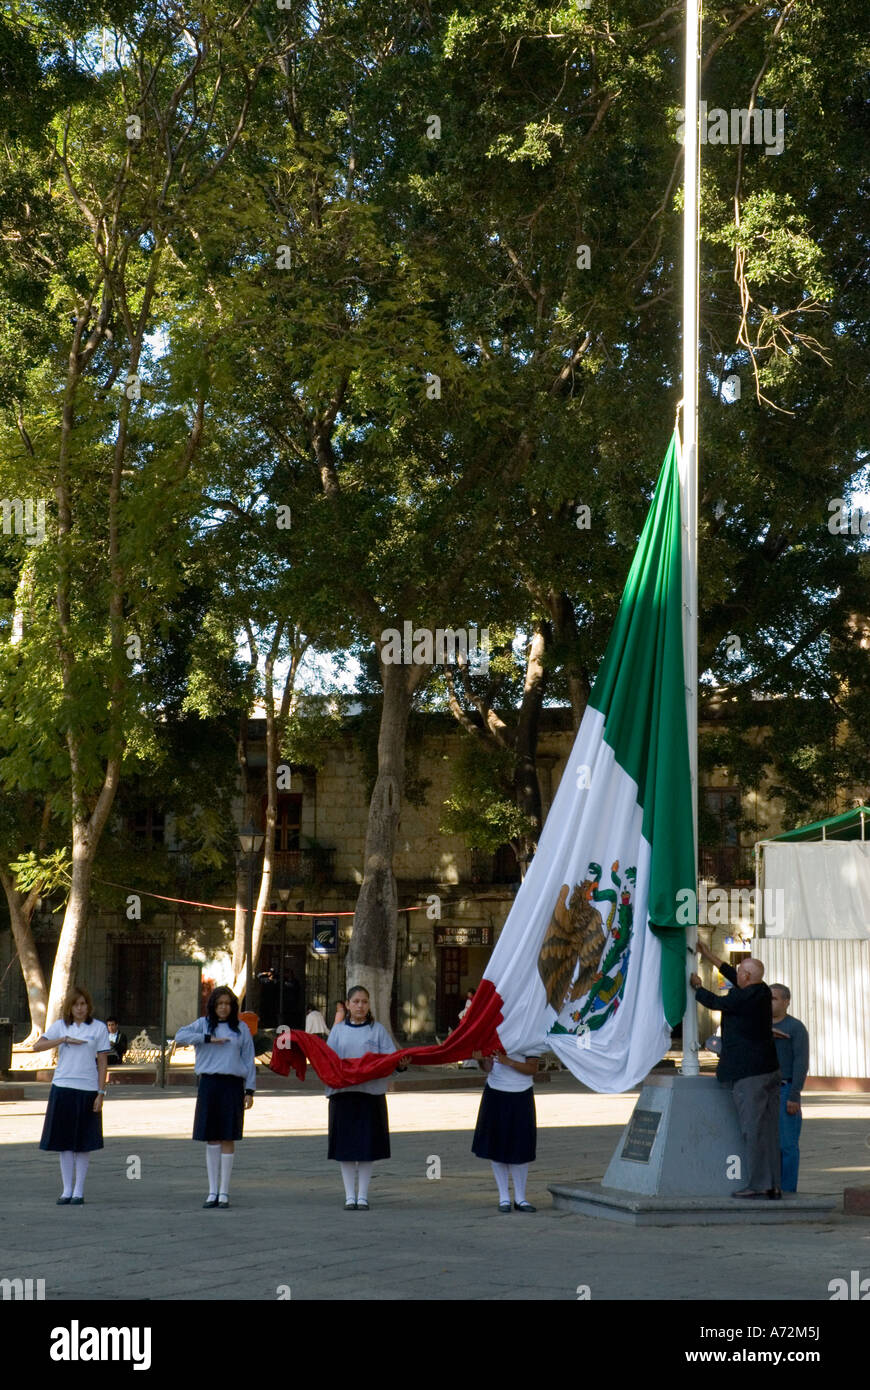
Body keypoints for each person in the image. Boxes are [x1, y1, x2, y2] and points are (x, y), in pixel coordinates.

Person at [691, 943, 782, 1199]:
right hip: (770, 1069)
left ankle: (757, 1185)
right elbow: (732, 974)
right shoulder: (762, 990)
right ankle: (774, 1183)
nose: (737, 974)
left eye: (741, 971)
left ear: (747, 978)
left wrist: (697, 987)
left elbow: (715, 1001)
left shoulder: (740, 998)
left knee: (752, 1130)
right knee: (769, 1131)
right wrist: (709, 955)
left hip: (749, 1074)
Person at [175, 987, 256, 1209]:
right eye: (219, 1003)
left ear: (233, 1007)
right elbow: (180, 1036)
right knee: (212, 1137)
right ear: (213, 1005)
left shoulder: (241, 1029)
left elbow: (248, 1060)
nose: (223, 1007)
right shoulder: (203, 1024)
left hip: (232, 1085)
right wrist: (206, 1039)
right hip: (209, 1084)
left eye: (227, 1003)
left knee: (228, 1136)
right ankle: (212, 1191)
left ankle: (224, 1192)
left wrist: (249, 1090)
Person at [31, 986, 110, 1205]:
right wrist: (63, 1039)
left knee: (83, 1142)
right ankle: (66, 1189)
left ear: (88, 1006)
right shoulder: (60, 1026)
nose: (80, 1008)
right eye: (76, 1004)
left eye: (83, 1004)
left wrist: (100, 1093)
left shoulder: (99, 1028)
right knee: (65, 1142)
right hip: (63, 1086)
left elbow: (102, 1062)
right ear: (70, 1007)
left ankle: (79, 1190)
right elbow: (37, 1046)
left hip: (87, 1089)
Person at [325, 987, 395, 1210]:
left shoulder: (378, 1031)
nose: (360, 1006)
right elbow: (328, 1062)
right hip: (343, 1096)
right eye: (355, 1001)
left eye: (364, 1001)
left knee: (367, 1147)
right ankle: (349, 1195)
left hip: (369, 1095)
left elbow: (390, 1060)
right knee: (345, 1148)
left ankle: (363, 1195)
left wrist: (398, 1066)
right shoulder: (337, 1031)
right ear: (347, 1004)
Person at [471, 1048, 541, 1212]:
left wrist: (508, 1061)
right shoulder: (494, 1033)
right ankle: (504, 1198)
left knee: (521, 1146)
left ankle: (520, 1198)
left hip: (521, 1092)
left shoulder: (531, 1035)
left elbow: (532, 1068)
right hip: (495, 1091)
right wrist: (481, 1059)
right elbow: (488, 1067)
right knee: (496, 1145)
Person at [770, 983, 810, 1193]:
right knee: (769, 1145)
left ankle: (788, 1190)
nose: (770, 1003)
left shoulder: (795, 1028)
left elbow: (800, 1062)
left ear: (786, 1002)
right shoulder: (758, 1026)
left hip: (785, 1089)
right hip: (763, 1091)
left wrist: (794, 1095)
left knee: (787, 1144)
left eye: (774, 998)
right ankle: (771, 1186)